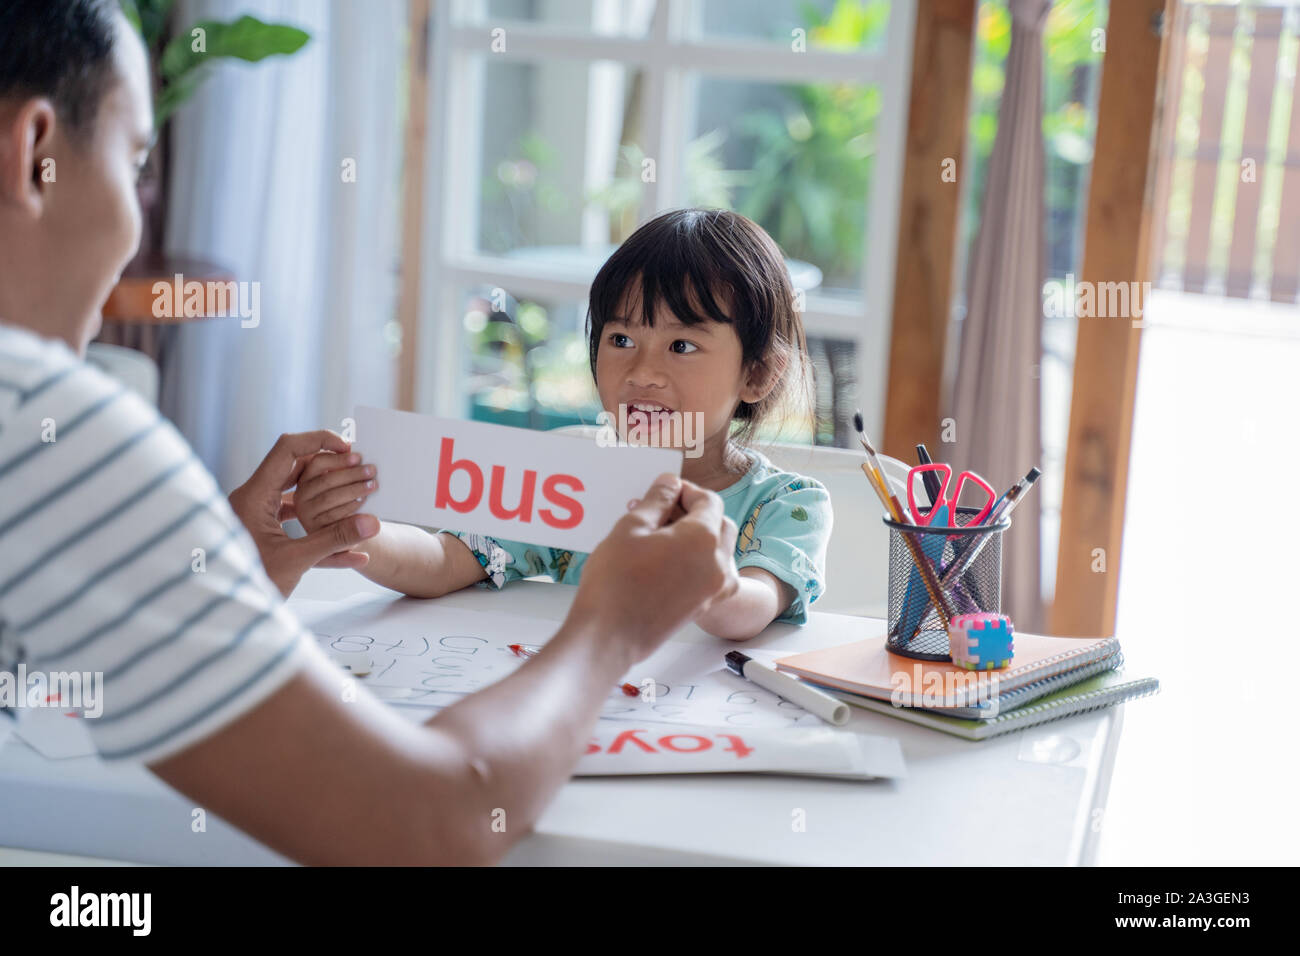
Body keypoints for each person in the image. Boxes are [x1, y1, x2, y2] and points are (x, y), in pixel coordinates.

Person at [0, 0, 736, 865]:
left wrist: (205, 572)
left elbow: (38, 694)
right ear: (35, 155)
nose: (135, 226)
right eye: (135, 162)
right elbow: (427, 825)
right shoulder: (51, 427)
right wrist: (611, 629)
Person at [295, 210, 833, 641]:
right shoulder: (572, 484)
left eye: (682, 345)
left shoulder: (787, 505)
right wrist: (363, 532)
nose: (643, 373)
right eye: (621, 340)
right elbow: (446, 560)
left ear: (758, 374)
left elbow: (752, 610)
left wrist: (713, 587)